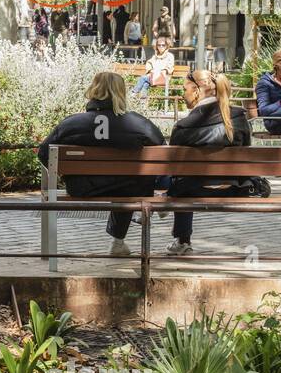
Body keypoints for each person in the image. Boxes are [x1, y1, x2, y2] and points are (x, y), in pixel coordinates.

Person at [38, 71, 164, 256]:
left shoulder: (71, 123)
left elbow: (43, 153)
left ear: (94, 90)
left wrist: (65, 174)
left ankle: (118, 243)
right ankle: (117, 241)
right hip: (129, 189)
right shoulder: (137, 123)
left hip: (81, 188)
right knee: (132, 181)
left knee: (125, 181)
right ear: (121, 93)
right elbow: (162, 149)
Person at [165, 69, 254, 255]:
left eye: (185, 89)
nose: (182, 94)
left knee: (181, 182)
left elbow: (171, 164)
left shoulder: (183, 126)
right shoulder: (239, 118)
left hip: (193, 190)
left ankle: (182, 241)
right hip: (235, 188)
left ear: (197, 91)